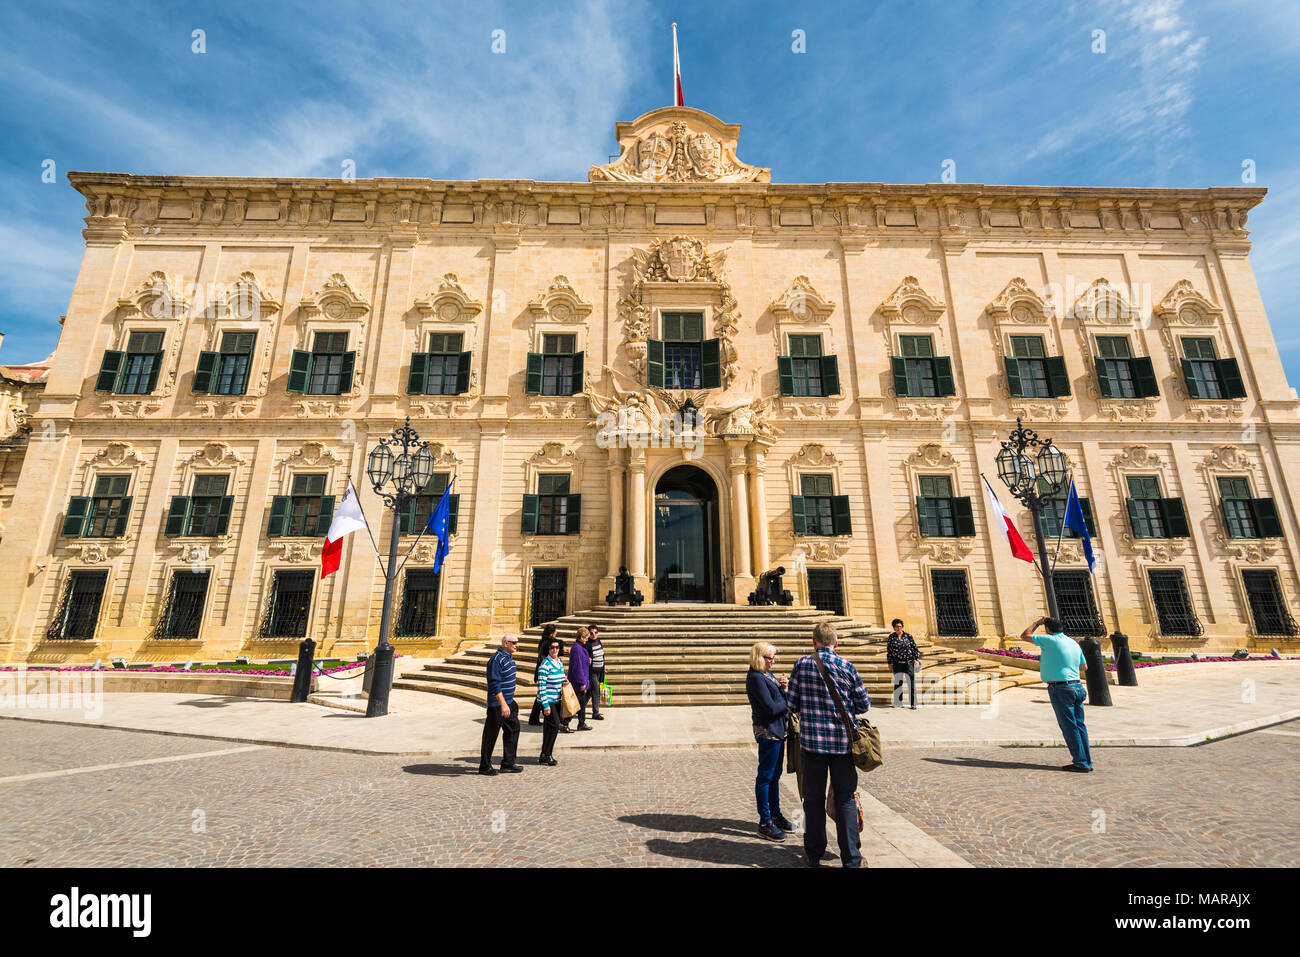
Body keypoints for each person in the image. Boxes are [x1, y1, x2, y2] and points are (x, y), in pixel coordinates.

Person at [786, 621, 871, 868]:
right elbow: (863, 704)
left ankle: (814, 854)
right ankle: (851, 859)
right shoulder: (847, 666)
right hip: (843, 746)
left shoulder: (802, 664)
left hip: (812, 745)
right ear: (836, 643)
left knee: (812, 799)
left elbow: (791, 704)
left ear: (814, 642)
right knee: (845, 799)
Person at [1021, 615, 1092, 772]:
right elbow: (1084, 667)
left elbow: (1024, 635)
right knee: (1080, 725)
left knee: (1069, 726)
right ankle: (1087, 761)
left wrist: (1037, 622)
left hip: (1061, 689)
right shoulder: (1073, 643)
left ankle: (1081, 763)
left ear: (1048, 629)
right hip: (1078, 687)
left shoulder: (1050, 640)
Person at [746, 641, 794, 842]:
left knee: (775, 776)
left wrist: (783, 689)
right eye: (769, 658)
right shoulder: (756, 677)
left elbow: (777, 702)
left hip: (777, 730)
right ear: (759, 657)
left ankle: (775, 815)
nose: (772, 661)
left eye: (773, 657)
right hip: (768, 731)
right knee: (765, 776)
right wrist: (788, 700)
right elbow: (771, 708)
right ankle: (765, 822)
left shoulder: (767, 674)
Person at [479, 634, 523, 775]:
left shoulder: (507, 657)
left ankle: (508, 764)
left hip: (509, 702)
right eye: (514, 643)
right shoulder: (496, 660)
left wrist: (510, 703)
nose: (517, 645)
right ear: (506, 643)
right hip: (497, 704)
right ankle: (485, 766)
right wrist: (503, 704)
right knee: (490, 735)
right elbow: (494, 684)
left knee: (513, 728)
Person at [536, 636, 568, 766]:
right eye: (552, 647)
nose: (555, 649)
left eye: (557, 647)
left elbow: (560, 676)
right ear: (547, 649)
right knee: (554, 726)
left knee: (549, 728)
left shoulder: (559, 661)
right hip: (548, 700)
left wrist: (565, 681)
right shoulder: (545, 665)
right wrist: (545, 705)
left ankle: (544, 754)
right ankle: (547, 754)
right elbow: (541, 687)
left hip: (557, 699)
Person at [886, 618, 921, 709]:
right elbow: (889, 651)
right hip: (897, 663)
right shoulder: (891, 637)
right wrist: (890, 663)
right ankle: (898, 702)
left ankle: (913, 703)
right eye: (897, 627)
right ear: (894, 628)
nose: (899, 628)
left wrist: (916, 659)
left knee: (911, 683)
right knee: (898, 683)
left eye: (900, 626)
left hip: (908, 662)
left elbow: (914, 648)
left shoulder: (908, 636)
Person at [528, 624, 559, 726]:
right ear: (551, 633)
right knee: (541, 693)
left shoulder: (543, 640)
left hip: (541, 669)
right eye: (555, 632)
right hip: (545, 671)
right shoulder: (548, 642)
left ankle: (533, 718)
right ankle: (534, 718)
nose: (556, 633)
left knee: (540, 694)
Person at [566, 626, 594, 731]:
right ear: (581, 637)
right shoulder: (577, 648)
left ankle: (581, 723)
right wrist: (582, 682)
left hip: (580, 680)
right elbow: (577, 666)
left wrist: (588, 660)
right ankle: (564, 723)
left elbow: (582, 662)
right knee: (575, 704)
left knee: (581, 704)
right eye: (586, 637)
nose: (587, 639)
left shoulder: (580, 647)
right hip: (577, 682)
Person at [587, 624, 606, 720]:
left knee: (589, 692)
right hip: (592, 672)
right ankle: (595, 713)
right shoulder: (588, 644)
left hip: (600, 671)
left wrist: (603, 668)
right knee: (596, 690)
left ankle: (579, 708)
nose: (594, 634)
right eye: (591, 633)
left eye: (596, 632)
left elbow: (602, 656)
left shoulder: (599, 641)